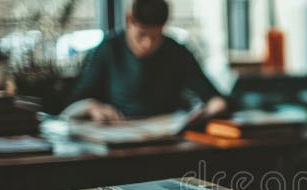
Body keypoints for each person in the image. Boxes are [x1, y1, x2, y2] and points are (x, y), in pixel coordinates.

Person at [61, 0, 227, 124]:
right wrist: (92, 107)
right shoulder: (108, 50)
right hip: (118, 140)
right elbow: (73, 105)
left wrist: (210, 110)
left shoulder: (177, 51)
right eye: (141, 35)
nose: (148, 44)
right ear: (128, 20)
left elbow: (214, 98)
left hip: (168, 139)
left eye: (155, 37)